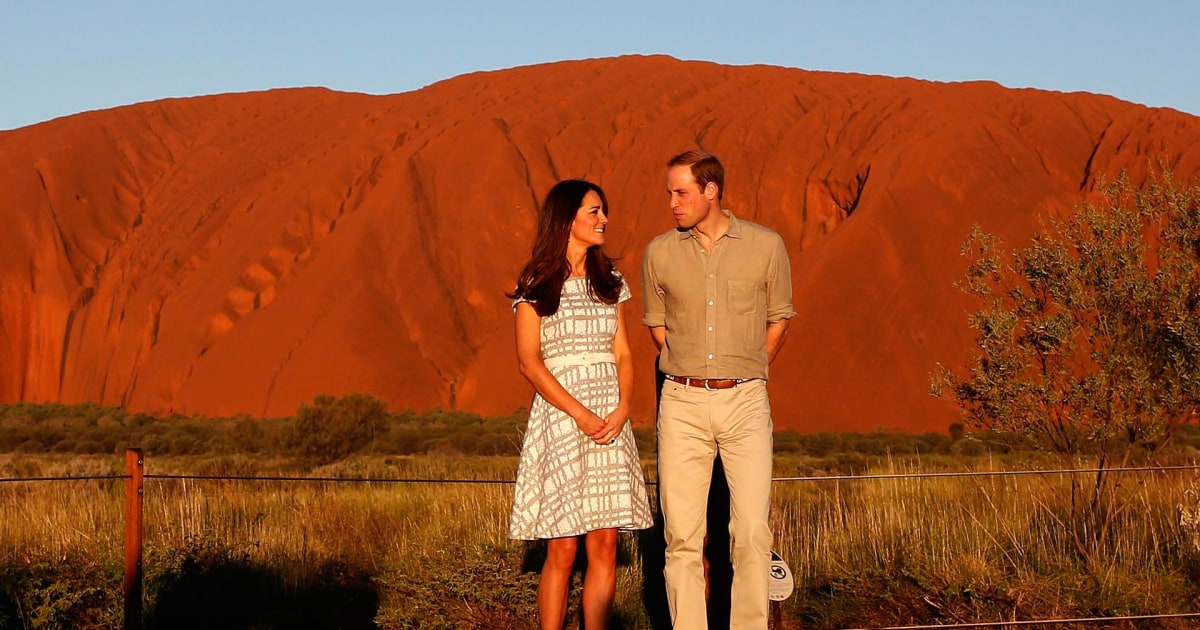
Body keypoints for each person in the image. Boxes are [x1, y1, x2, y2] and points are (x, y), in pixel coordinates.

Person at [641, 150, 794, 629]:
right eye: (669, 192)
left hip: (745, 400)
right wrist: (689, 373)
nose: (672, 202)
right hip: (682, 400)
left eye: (681, 192)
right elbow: (658, 328)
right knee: (681, 536)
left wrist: (747, 369)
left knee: (750, 531)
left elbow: (780, 319)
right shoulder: (659, 252)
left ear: (711, 190)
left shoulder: (766, 246)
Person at [508, 179, 654, 629]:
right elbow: (529, 362)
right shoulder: (535, 282)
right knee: (564, 547)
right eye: (594, 212)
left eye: (603, 211)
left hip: (610, 417)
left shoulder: (612, 282)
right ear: (567, 219)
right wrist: (579, 413)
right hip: (562, 419)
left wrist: (625, 405)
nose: (603, 219)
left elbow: (625, 353)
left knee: (606, 544)